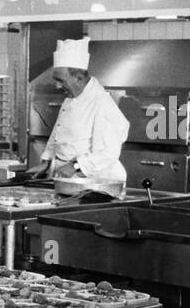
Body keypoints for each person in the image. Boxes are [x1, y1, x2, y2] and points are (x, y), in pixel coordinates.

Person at [31, 37, 129, 192]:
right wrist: (47, 161)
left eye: (61, 80)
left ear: (78, 77)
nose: (57, 86)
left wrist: (75, 166)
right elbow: (58, 132)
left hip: (97, 183)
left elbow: (108, 153)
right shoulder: (71, 98)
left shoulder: (101, 103)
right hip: (70, 179)